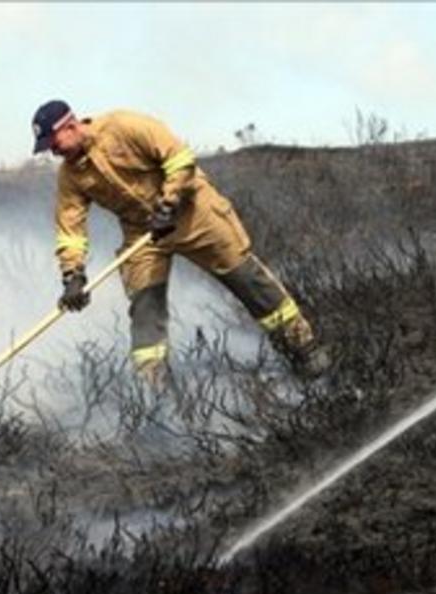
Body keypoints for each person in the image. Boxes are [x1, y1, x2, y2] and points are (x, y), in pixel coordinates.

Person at [30, 100, 330, 389]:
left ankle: (305, 351)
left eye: (54, 144)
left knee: (248, 281)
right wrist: (73, 276)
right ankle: (155, 395)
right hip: (144, 233)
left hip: (192, 212)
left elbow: (179, 158)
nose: (54, 153)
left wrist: (169, 202)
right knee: (144, 308)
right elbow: (70, 228)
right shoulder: (70, 176)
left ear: (69, 125)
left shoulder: (124, 125)